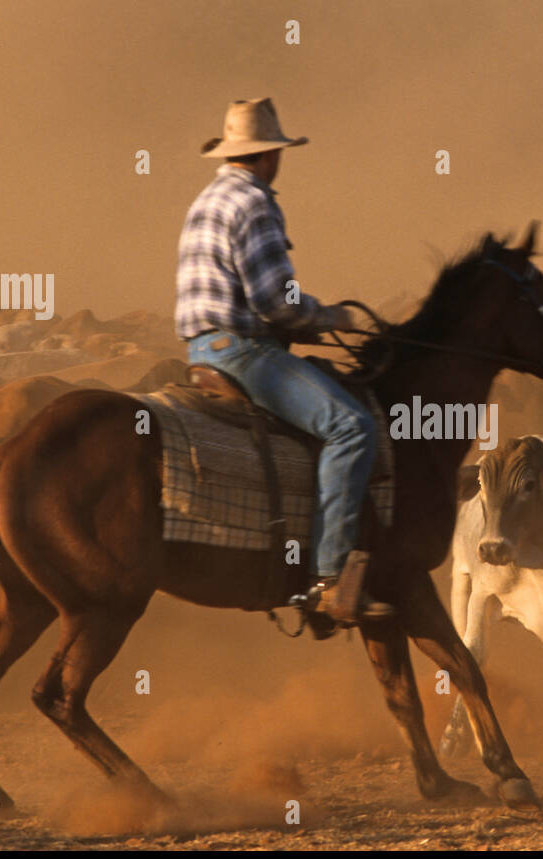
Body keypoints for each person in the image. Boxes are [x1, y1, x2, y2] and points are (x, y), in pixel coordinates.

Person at [176, 98, 393, 623]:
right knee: (351, 426)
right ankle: (330, 579)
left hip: (201, 348)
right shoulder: (254, 203)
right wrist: (332, 318)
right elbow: (276, 300)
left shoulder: (207, 199)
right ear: (270, 155)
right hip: (242, 352)